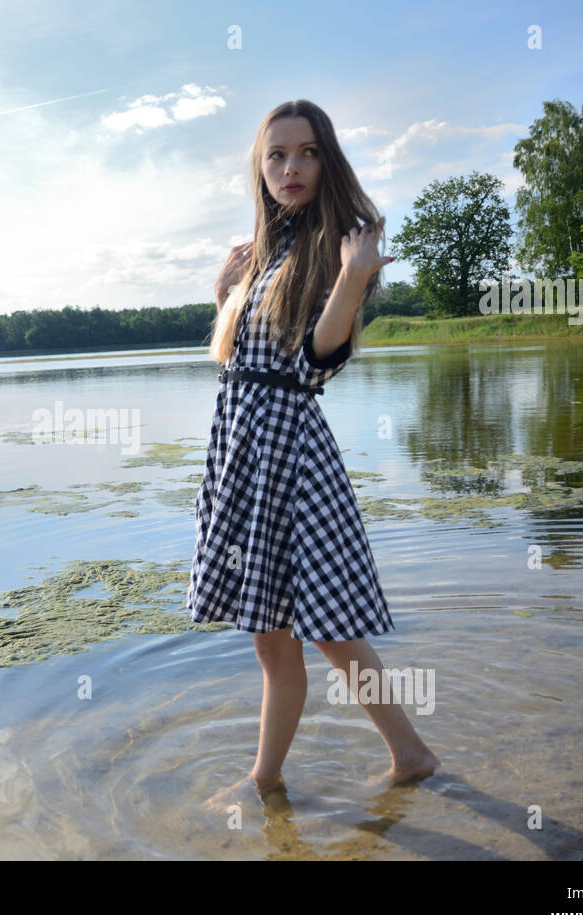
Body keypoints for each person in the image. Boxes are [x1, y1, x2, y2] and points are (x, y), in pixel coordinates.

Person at [186, 100, 440, 809]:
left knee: (326, 629)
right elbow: (234, 358)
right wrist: (224, 294)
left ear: (326, 159)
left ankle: (286, 776)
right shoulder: (263, 252)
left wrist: (355, 278)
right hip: (243, 449)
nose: (290, 168)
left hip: (290, 453)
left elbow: (315, 361)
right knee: (274, 635)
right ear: (260, 168)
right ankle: (403, 755)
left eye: (305, 153)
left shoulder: (338, 244)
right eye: (276, 156)